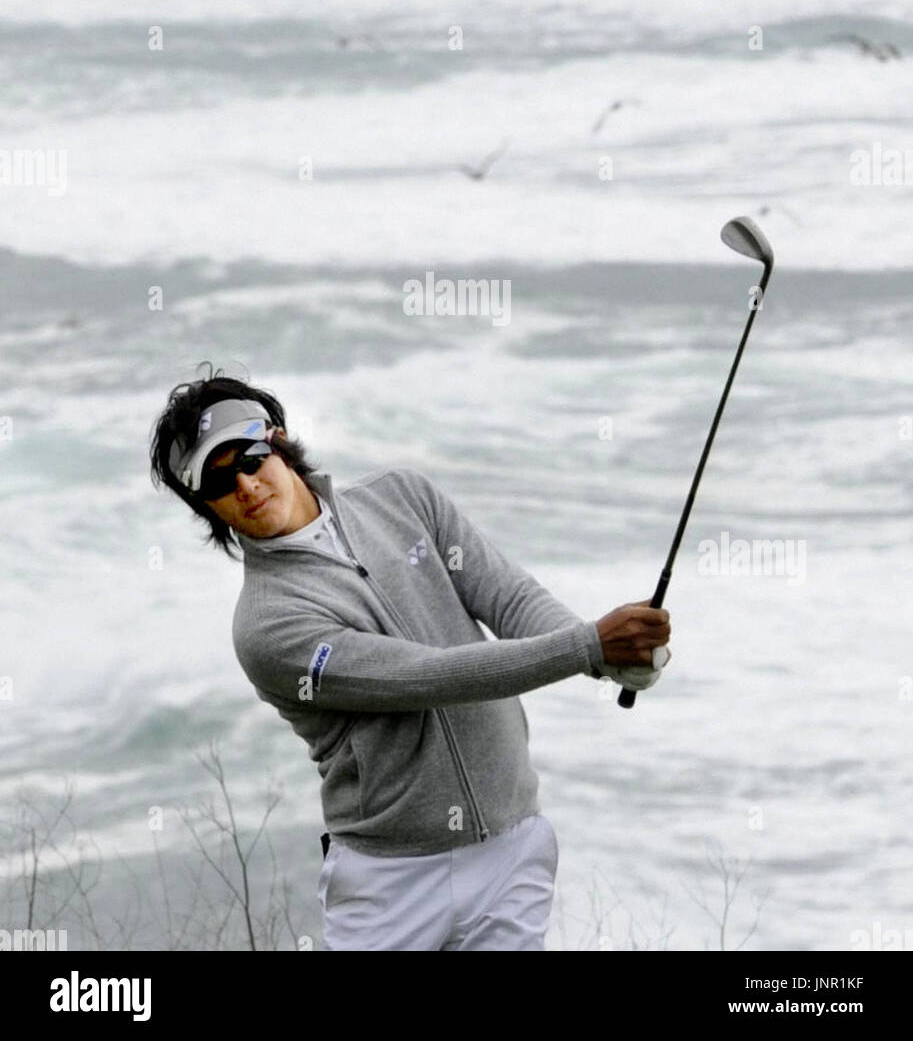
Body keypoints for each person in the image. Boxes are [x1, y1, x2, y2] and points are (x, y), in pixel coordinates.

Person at [149, 369, 671, 952]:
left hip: (511, 848)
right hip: (391, 885)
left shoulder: (404, 497)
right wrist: (589, 646)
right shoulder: (267, 626)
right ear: (207, 507)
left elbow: (509, 598)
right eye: (218, 484)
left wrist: (614, 661)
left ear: (277, 439)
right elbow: (425, 677)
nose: (244, 486)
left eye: (248, 459)